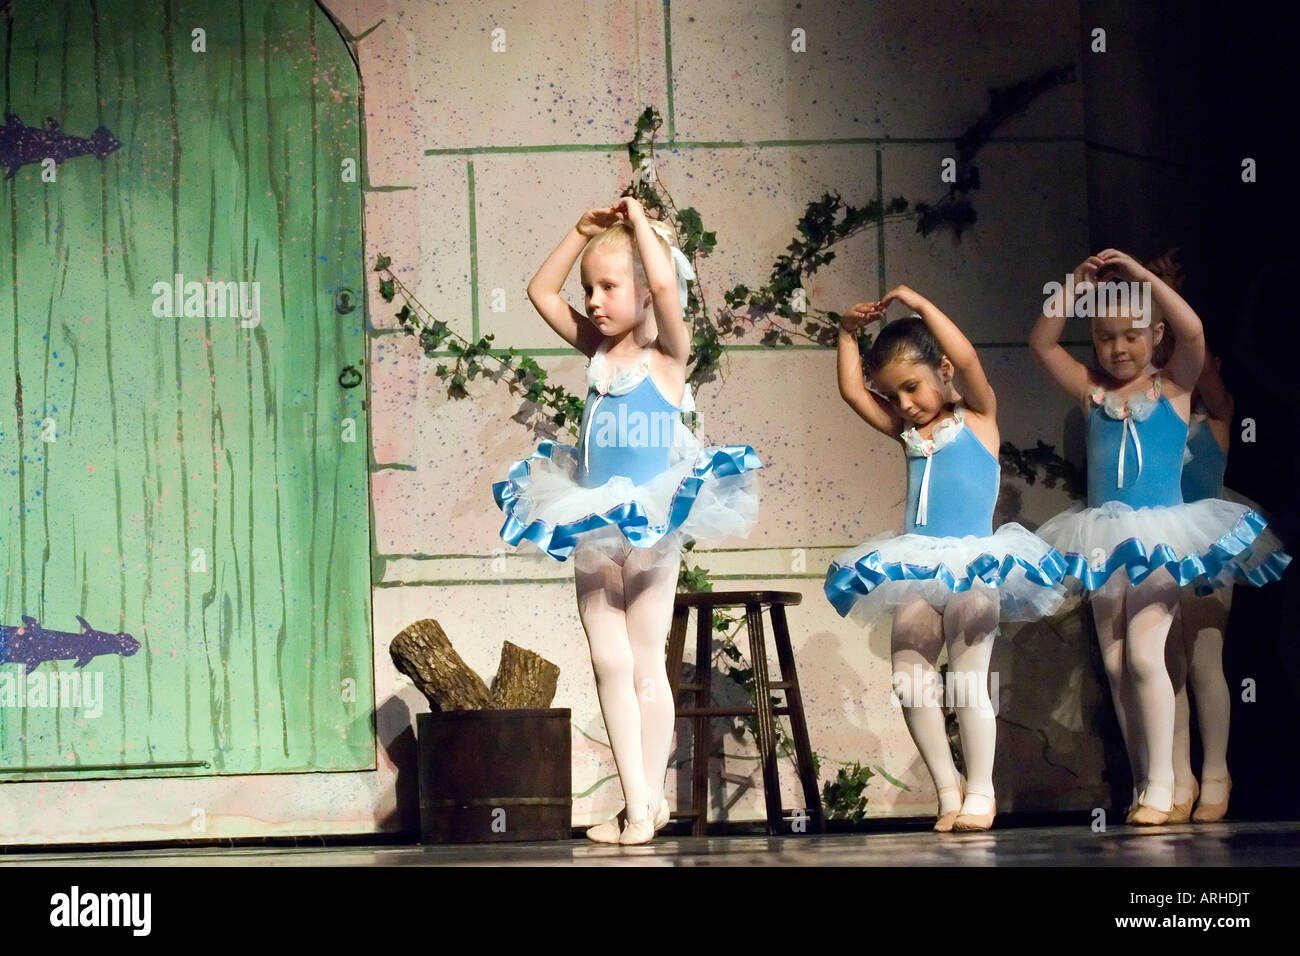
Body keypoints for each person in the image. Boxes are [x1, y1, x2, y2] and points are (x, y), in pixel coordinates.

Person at [493, 196, 761, 844]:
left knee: (644, 662)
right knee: (606, 659)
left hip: (650, 520)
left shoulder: (667, 358)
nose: (593, 300)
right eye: (591, 288)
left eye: (609, 286)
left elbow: (667, 283)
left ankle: (644, 807)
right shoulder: (597, 354)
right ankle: (639, 801)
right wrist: (580, 231)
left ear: (644, 291)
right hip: (589, 517)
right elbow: (539, 290)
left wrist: (639, 225)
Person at [1030, 249, 1289, 825]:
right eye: (1103, 337)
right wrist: (1077, 282)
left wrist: (1143, 279)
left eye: (1130, 336)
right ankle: (1150, 779)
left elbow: (1194, 331)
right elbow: (1043, 342)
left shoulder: (1173, 388)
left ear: (1155, 334)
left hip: (1164, 538)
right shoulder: (1091, 393)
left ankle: (1166, 783)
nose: (1117, 349)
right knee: (1119, 664)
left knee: (1151, 654)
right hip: (1102, 538)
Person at [825, 286, 1066, 832]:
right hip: (918, 565)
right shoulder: (908, 430)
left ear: (944, 371)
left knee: (967, 679)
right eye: (895, 394)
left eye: (912, 387)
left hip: (976, 564)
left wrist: (921, 304)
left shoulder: (979, 415)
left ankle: (982, 790)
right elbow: (851, 394)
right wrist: (845, 334)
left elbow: (973, 359)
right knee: (909, 678)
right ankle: (948, 787)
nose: (905, 403)